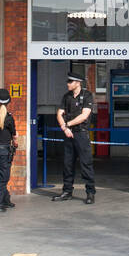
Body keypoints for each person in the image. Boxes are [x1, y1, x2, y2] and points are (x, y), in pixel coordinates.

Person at [52, 72, 95, 204]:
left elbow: (84, 116)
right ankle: (67, 191)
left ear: (78, 83)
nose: (68, 84)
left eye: (70, 82)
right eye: (68, 81)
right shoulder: (67, 97)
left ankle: (90, 193)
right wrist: (65, 128)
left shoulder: (87, 96)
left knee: (86, 164)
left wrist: (67, 124)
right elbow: (59, 113)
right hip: (68, 134)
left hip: (81, 134)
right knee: (67, 164)